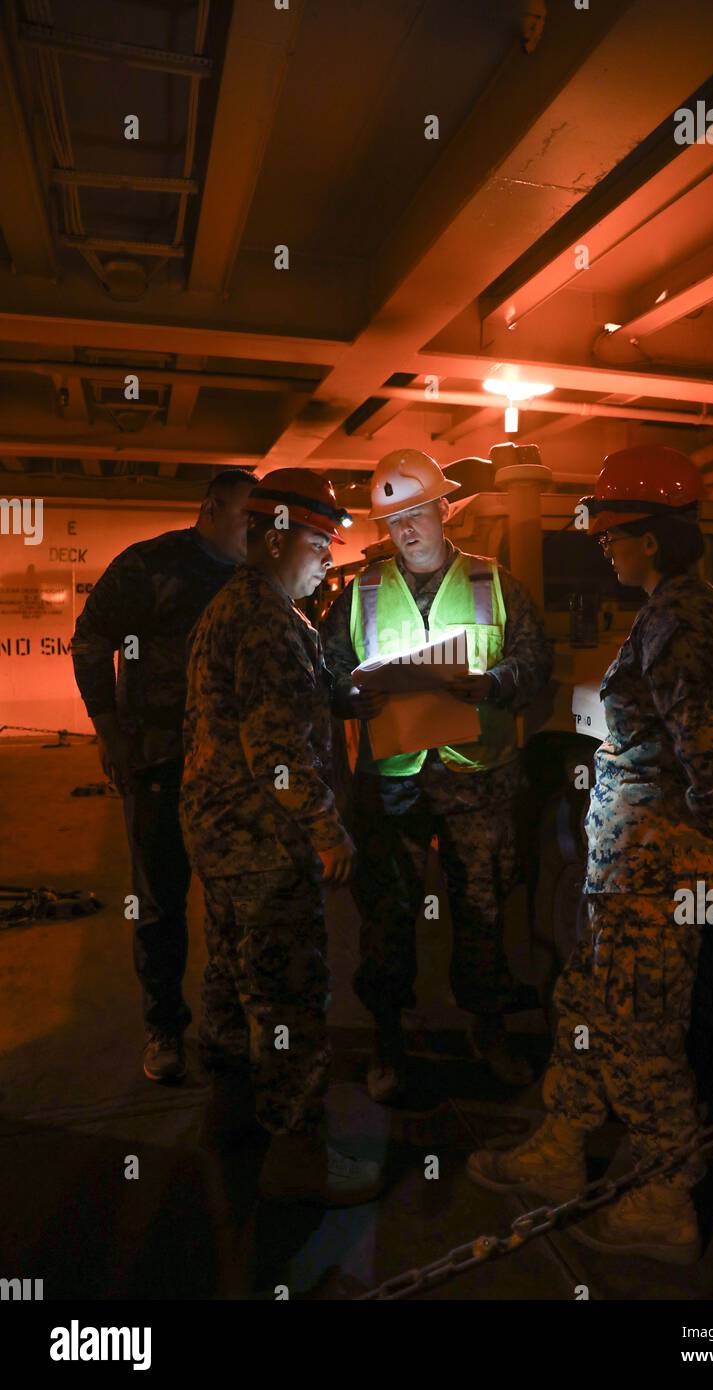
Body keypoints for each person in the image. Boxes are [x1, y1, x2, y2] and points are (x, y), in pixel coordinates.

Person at [466, 446, 713, 1264]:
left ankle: (667, 1199)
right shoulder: (686, 610)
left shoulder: (677, 619)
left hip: (657, 861)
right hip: (630, 854)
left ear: (652, 537)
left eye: (612, 535)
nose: (604, 547)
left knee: (637, 1023)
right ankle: (561, 1147)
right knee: (586, 999)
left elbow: (709, 745)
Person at [321, 447, 553, 1103]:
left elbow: (535, 663)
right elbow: (327, 670)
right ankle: (389, 1039)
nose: (408, 530)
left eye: (418, 514)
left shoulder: (494, 582)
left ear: (444, 509)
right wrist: (348, 696)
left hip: (476, 778)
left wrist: (495, 683)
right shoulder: (361, 592)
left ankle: (488, 1026)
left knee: (482, 910)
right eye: (395, 522)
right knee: (386, 916)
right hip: (391, 780)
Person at [181, 468, 382, 1206]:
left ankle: (231, 1123)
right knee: (289, 999)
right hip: (262, 842)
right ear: (274, 539)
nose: (331, 553)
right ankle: (299, 1161)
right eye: (321, 539)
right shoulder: (266, 621)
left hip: (221, 835)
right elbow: (277, 749)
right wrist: (328, 831)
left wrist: (348, 693)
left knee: (234, 983)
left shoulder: (249, 608)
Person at [71, 469, 255, 1082]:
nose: (256, 532)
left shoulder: (255, 578)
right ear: (211, 508)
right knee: (159, 902)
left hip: (235, 766)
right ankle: (165, 1030)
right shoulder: (148, 566)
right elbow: (92, 641)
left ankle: (227, 1022)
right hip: (157, 759)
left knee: (235, 900)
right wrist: (108, 727)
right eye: (246, 519)